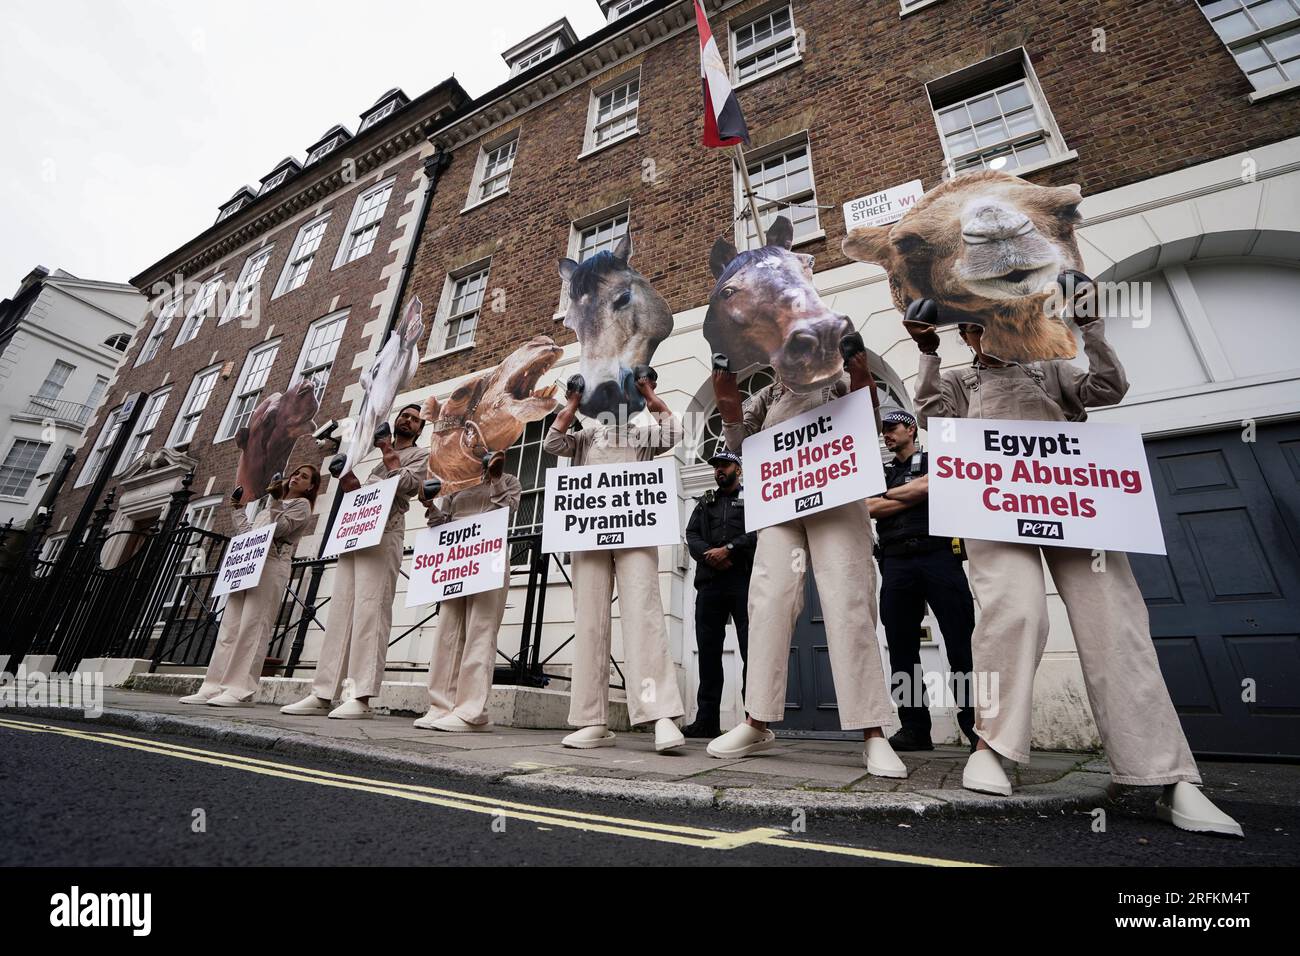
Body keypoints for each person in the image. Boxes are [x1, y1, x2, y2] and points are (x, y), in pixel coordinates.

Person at [908, 291, 1243, 837]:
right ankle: (991, 745)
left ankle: (1164, 774)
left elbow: (1109, 389)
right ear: (965, 336)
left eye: (996, 323)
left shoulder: (1051, 370)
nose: (986, 334)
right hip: (992, 505)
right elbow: (930, 415)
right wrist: (925, 351)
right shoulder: (959, 382)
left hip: (1074, 500)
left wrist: (1091, 328)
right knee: (1015, 613)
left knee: (1117, 622)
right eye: (974, 328)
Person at [706, 352, 909, 779]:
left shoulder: (830, 380)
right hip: (781, 504)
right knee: (768, 605)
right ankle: (756, 721)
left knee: (847, 603)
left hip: (836, 493)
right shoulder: (767, 395)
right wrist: (725, 396)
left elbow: (867, 416)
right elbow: (739, 445)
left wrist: (858, 370)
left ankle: (874, 730)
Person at [542, 372, 687, 753]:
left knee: (644, 614)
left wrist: (650, 394)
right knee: (589, 620)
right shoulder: (586, 436)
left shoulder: (641, 435)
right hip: (588, 533)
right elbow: (553, 442)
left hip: (635, 530)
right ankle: (591, 719)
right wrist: (572, 402)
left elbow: (673, 434)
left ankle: (661, 715)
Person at [280, 404, 427, 719]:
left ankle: (360, 697)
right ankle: (323, 693)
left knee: (370, 611)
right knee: (342, 611)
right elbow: (361, 495)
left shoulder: (420, 455)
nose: (408, 420)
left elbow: (409, 486)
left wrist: (386, 447)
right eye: (405, 415)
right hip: (357, 532)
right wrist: (344, 476)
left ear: (419, 430)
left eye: (415, 419)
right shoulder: (375, 462)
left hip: (385, 533)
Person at [868, 408, 977, 752]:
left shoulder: (935, 459)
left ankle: (975, 725)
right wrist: (910, 493)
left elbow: (933, 486)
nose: (886, 434)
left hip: (939, 555)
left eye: (892, 428)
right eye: (883, 430)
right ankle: (914, 727)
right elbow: (868, 507)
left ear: (911, 429)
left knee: (962, 643)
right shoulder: (877, 472)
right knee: (901, 649)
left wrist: (891, 495)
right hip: (896, 561)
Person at [180, 465, 319, 706]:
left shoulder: (302, 506)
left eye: (304, 477)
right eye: (295, 473)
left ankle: (239, 689)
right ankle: (212, 686)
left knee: (253, 627)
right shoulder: (271, 504)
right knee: (230, 627)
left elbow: (281, 529)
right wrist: (238, 509)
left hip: (272, 564)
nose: (296, 478)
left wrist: (276, 501)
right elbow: (249, 534)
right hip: (248, 562)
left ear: (311, 487)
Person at [414, 451, 522, 733]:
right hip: (456, 559)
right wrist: (430, 506)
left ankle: (471, 711)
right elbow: (441, 523)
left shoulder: (509, 481)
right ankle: (440, 705)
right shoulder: (456, 484)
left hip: (488, 556)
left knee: (480, 630)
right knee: (447, 632)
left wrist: (496, 478)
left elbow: (507, 513)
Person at [682, 448, 755, 738]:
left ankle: (754, 718)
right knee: (709, 654)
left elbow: (759, 531)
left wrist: (730, 550)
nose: (719, 470)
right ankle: (707, 720)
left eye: (724, 465)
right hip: (710, 583)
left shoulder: (752, 499)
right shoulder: (705, 503)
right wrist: (710, 555)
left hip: (742, 582)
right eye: (716, 467)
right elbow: (692, 536)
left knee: (753, 651)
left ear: (738, 469)